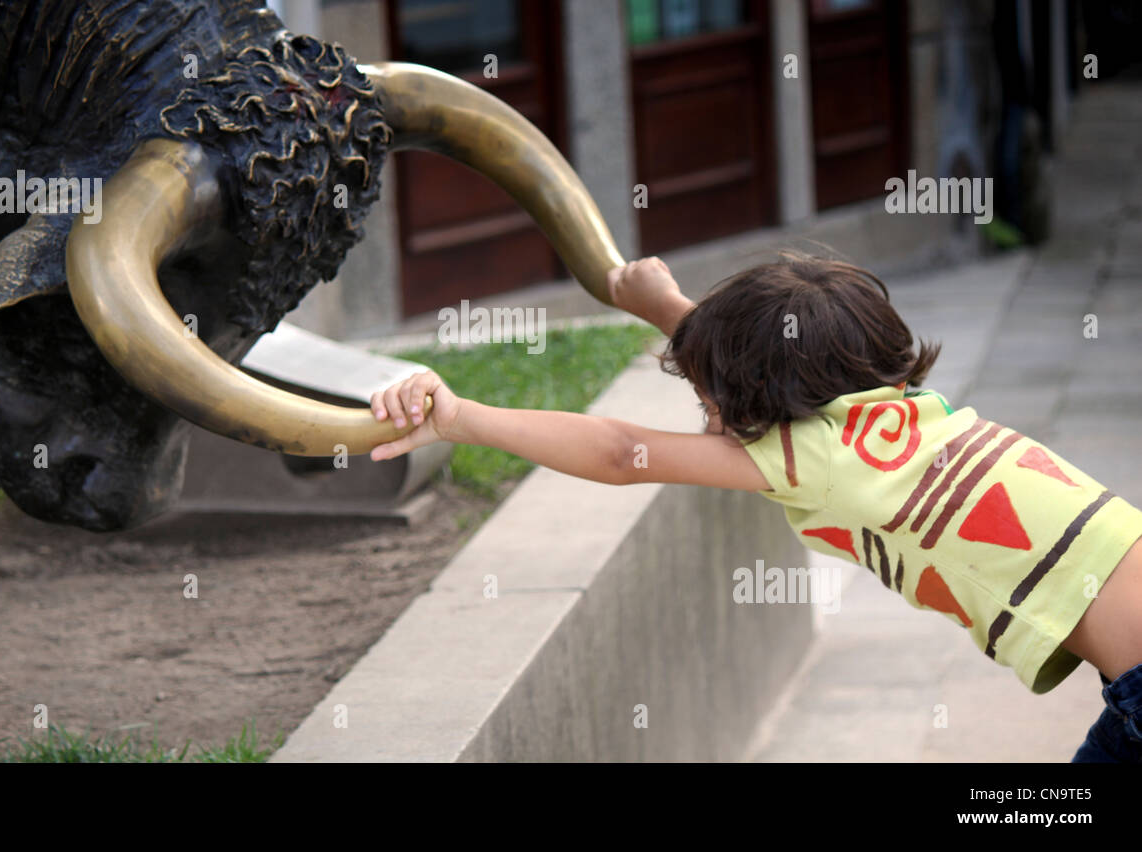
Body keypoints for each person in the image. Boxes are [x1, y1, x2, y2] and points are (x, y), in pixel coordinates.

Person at [368, 251, 1142, 762]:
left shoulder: (816, 462)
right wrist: (667, 304)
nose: (700, 406)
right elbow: (784, 366)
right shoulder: (900, 409)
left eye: (703, 391)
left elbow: (617, 452)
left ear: (757, 400)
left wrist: (458, 416)